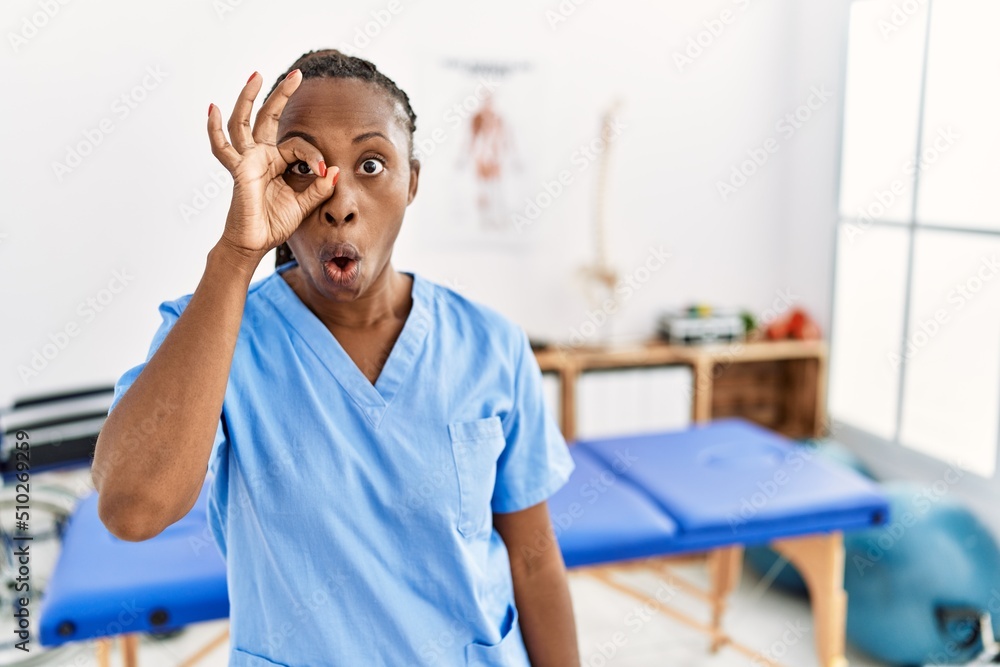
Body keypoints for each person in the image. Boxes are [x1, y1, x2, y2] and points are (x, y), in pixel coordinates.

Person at [91, 49, 581, 666]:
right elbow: (132, 510)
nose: (339, 200)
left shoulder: (490, 346)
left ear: (413, 183)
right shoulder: (219, 337)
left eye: (372, 164)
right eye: (302, 169)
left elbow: (534, 559)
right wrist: (236, 255)